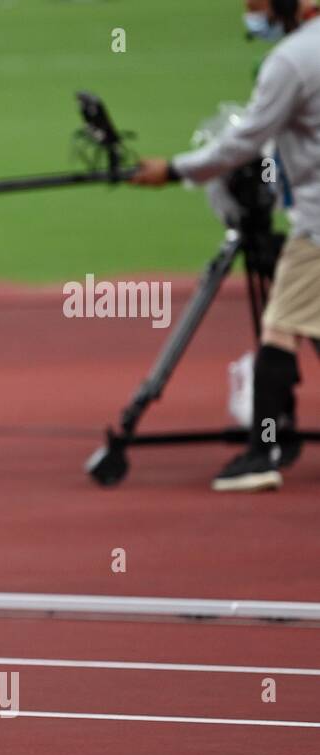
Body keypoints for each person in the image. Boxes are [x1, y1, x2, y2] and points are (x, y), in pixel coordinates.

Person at [131, 0, 320, 491]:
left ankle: (261, 455)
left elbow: (245, 141)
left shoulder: (292, 60)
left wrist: (173, 170)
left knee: (279, 328)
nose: (250, 11)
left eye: (257, 2)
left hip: (318, 226)